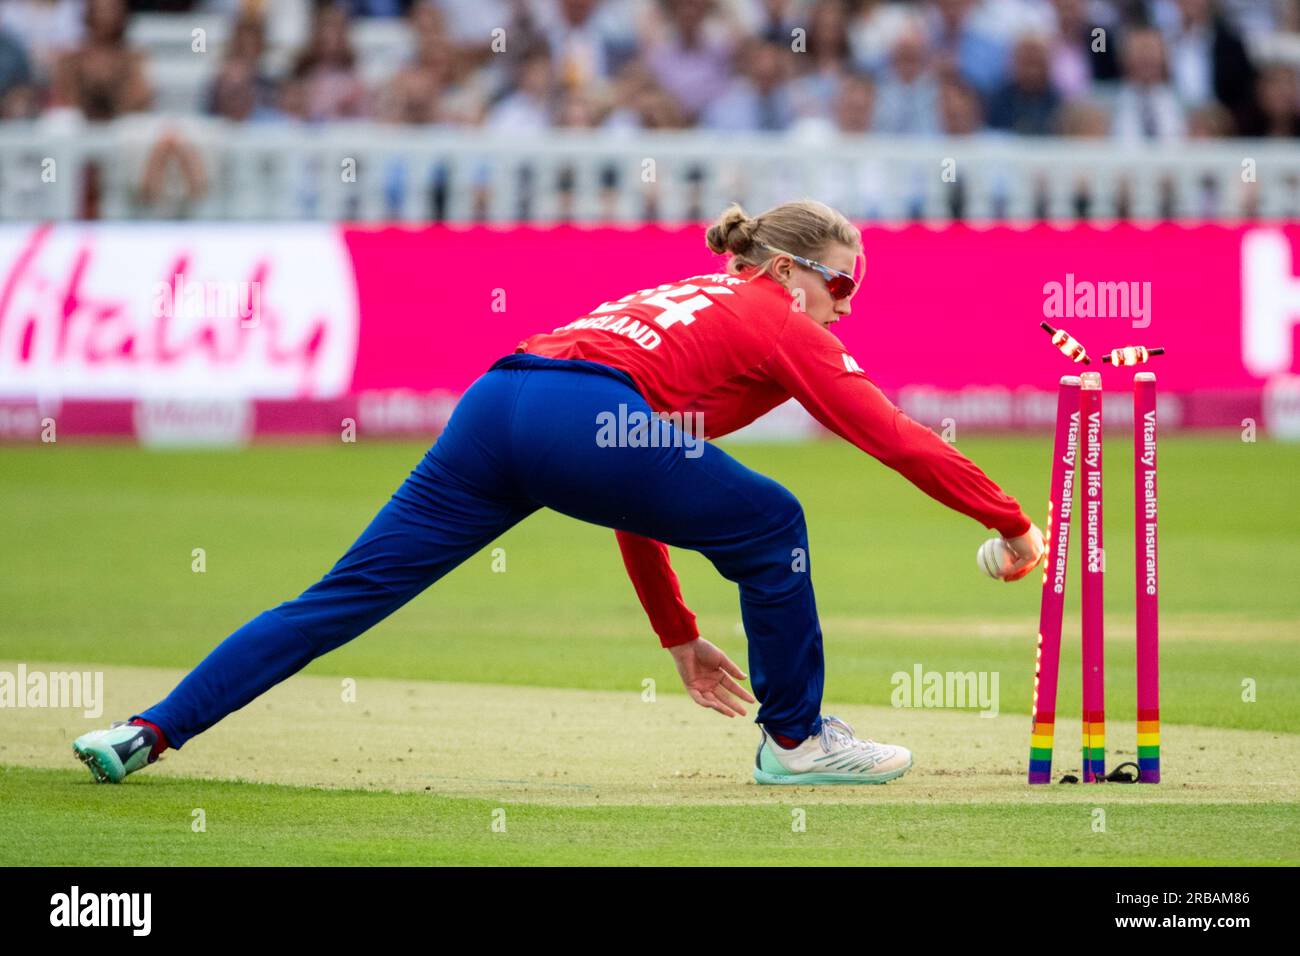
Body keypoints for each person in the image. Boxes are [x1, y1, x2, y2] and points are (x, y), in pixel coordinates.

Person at [73, 199, 1044, 787]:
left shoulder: (689, 304)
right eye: (841, 284)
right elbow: (887, 431)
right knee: (773, 519)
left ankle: (146, 729)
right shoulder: (771, 313)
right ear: (784, 270)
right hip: (570, 414)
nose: (846, 307)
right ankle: (794, 738)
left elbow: (634, 472)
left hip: (496, 403)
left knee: (339, 597)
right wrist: (1007, 521)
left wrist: (676, 631)